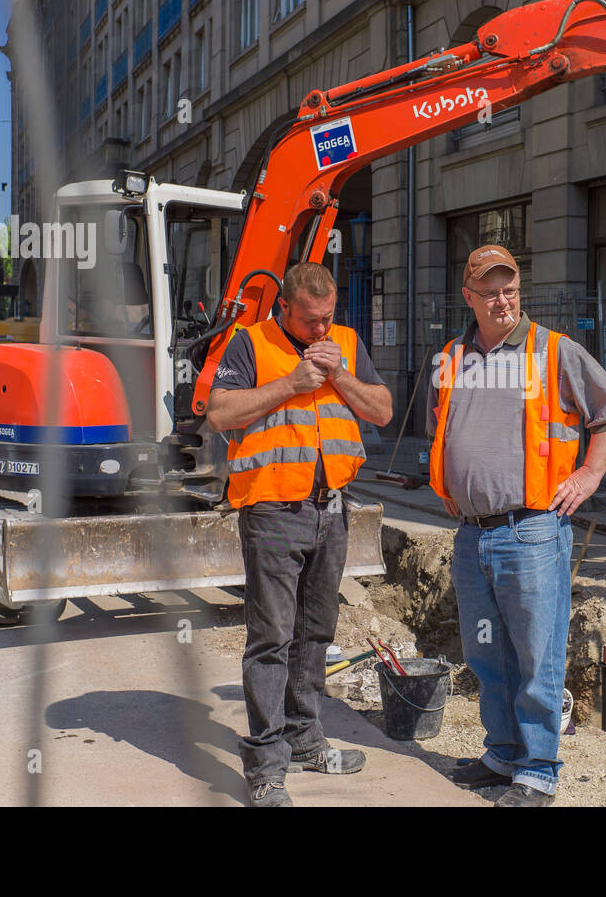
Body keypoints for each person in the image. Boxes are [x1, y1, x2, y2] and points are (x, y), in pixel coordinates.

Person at [427, 245, 606, 807]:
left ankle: (538, 769)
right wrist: (451, 483)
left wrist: (590, 474)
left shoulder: (554, 351)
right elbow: (442, 427)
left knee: (537, 654)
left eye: (509, 288)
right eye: (489, 291)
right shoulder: (451, 357)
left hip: (532, 530)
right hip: (473, 533)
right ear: (468, 297)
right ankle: (502, 754)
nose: (502, 299)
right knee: (487, 653)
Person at [207, 262, 392, 807]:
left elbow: (380, 411)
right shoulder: (250, 344)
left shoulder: (346, 345)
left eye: (328, 318)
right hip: (272, 513)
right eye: (311, 321)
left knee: (316, 632)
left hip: (331, 511)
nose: (321, 330)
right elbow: (219, 413)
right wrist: (290, 384)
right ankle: (265, 763)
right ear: (283, 309)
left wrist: (339, 375)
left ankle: (305, 737)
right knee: (271, 638)